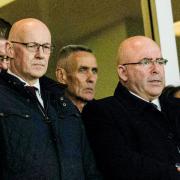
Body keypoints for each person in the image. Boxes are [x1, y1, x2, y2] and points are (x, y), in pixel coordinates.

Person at [0, 18, 101, 179]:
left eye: (46, 47)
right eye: (32, 46)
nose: (40, 55)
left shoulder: (64, 102)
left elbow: (89, 169)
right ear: (10, 50)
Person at [82, 35, 180, 180]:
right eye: (146, 62)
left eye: (160, 61)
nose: (156, 69)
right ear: (123, 72)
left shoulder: (176, 107)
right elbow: (122, 166)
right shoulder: (102, 112)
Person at [56, 44, 98, 112]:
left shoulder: (105, 114)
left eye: (94, 71)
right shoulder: (44, 114)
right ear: (61, 76)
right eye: (82, 70)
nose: (91, 79)